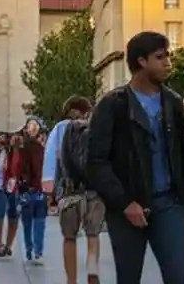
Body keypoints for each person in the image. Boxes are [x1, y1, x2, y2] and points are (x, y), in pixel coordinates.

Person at [86, 31, 184, 284]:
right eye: (160, 57)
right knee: (128, 277)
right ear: (141, 61)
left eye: (168, 55)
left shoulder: (174, 103)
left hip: (169, 204)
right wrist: (124, 202)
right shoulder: (113, 105)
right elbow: (96, 162)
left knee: (179, 277)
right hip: (127, 207)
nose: (168, 62)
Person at [44, 96, 103, 284]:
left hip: (69, 191)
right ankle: (92, 268)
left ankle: (71, 280)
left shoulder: (60, 128)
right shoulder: (96, 127)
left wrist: (49, 190)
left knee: (69, 237)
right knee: (93, 234)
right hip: (94, 190)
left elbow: (51, 158)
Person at [8, 116, 48, 263]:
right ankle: (35, 251)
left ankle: (32, 250)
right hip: (33, 189)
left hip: (32, 189)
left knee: (33, 222)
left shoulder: (32, 149)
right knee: (36, 221)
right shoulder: (34, 149)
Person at [0, 132, 20, 258]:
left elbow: (17, 167)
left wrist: (15, 148)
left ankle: (8, 245)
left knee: (14, 215)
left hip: (13, 185)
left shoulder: (17, 148)